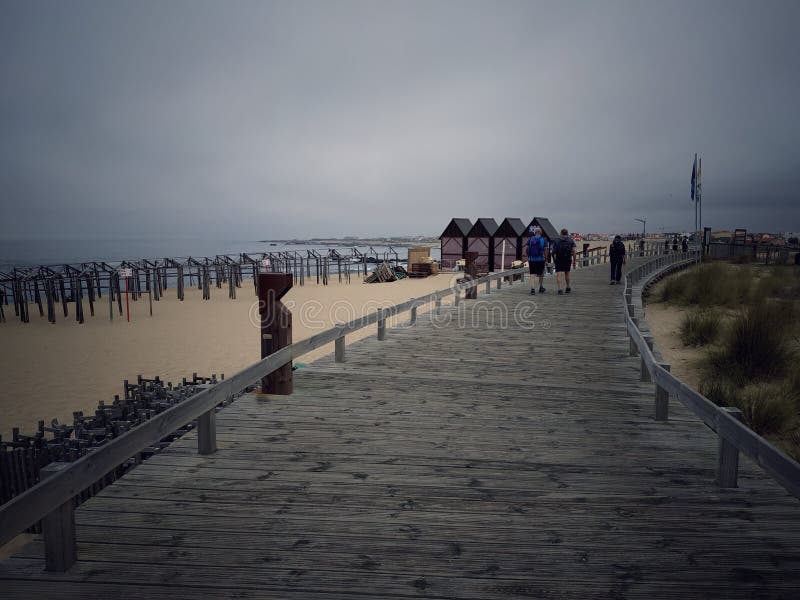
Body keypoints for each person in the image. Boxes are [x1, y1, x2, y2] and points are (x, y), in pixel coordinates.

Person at [553, 228, 577, 294]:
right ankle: (568, 287)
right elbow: (574, 251)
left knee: (559, 274)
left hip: (559, 259)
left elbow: (553, 252)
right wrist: (574, 260)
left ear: (561, 233)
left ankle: (560, 289)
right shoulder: (571, 240)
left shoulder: (556, 240)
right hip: (567, 259)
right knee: (567, 273)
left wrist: (555, 260)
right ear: (567, 233)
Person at [526, 226, 548, 294]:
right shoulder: (543, 240)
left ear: (534, 233)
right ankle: (541, 287)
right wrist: (546, 259)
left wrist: (529, 256)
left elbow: (527, 249)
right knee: (541, 274)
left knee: (532, 274)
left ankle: (532, 289)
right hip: (540, 259)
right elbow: (546, 250)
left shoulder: (530, 239)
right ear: (540, 233)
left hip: (532, 259)